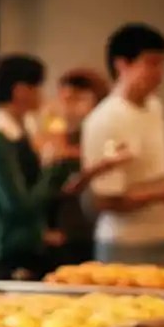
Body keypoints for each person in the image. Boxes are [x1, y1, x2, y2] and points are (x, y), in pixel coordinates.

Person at [83, 23, 164, 265]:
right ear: (123, 65)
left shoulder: (155, 107)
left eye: (162, 63)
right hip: (124, 242)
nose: (159, 72)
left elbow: (157, 171)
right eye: (151, 63)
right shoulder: (105, 118)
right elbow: (106, 199)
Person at [0, 55, 73, 279]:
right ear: (20, 90)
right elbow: (19, 204)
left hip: (27, 250)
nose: (42, 95)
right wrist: (54, 166)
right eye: (38, 87)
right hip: (10, 256)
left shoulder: (18, 134)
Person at [43, 68, 114, 264]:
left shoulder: (107, 139)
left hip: (99, 236)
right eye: (64, 100)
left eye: (77, 99)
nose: (68, 108)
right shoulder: (54, 142)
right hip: (61, 242)